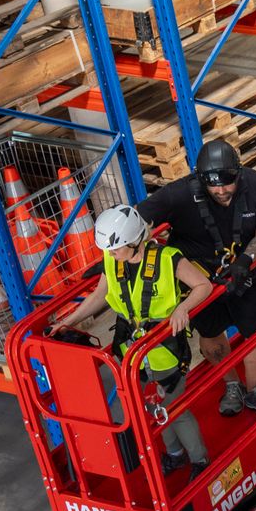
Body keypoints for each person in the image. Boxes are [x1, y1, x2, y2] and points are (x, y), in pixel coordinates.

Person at [51, 204, 213, 476]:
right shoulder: (113, 261)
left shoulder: (168, 258)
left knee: (172, 408)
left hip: (165, 350)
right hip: (131, 351)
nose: (111, 254)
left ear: (136, 241)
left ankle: (200, 461)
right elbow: (101, 294)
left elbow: (203, 285)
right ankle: (174, 455)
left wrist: (182, 309)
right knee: (149, 406)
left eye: (116, 249)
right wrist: (71, 320)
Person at [137, 139, 256, 417]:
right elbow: (137, 218)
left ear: (238, 173)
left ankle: (255, 390)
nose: (222, 190)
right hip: (200, 281)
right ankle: (232, 385)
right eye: (213, 185)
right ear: (200, 178)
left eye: (228, 183)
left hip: (242, 272)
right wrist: (119, 254)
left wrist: (245, 261)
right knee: (211, 333)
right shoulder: (179, 194)